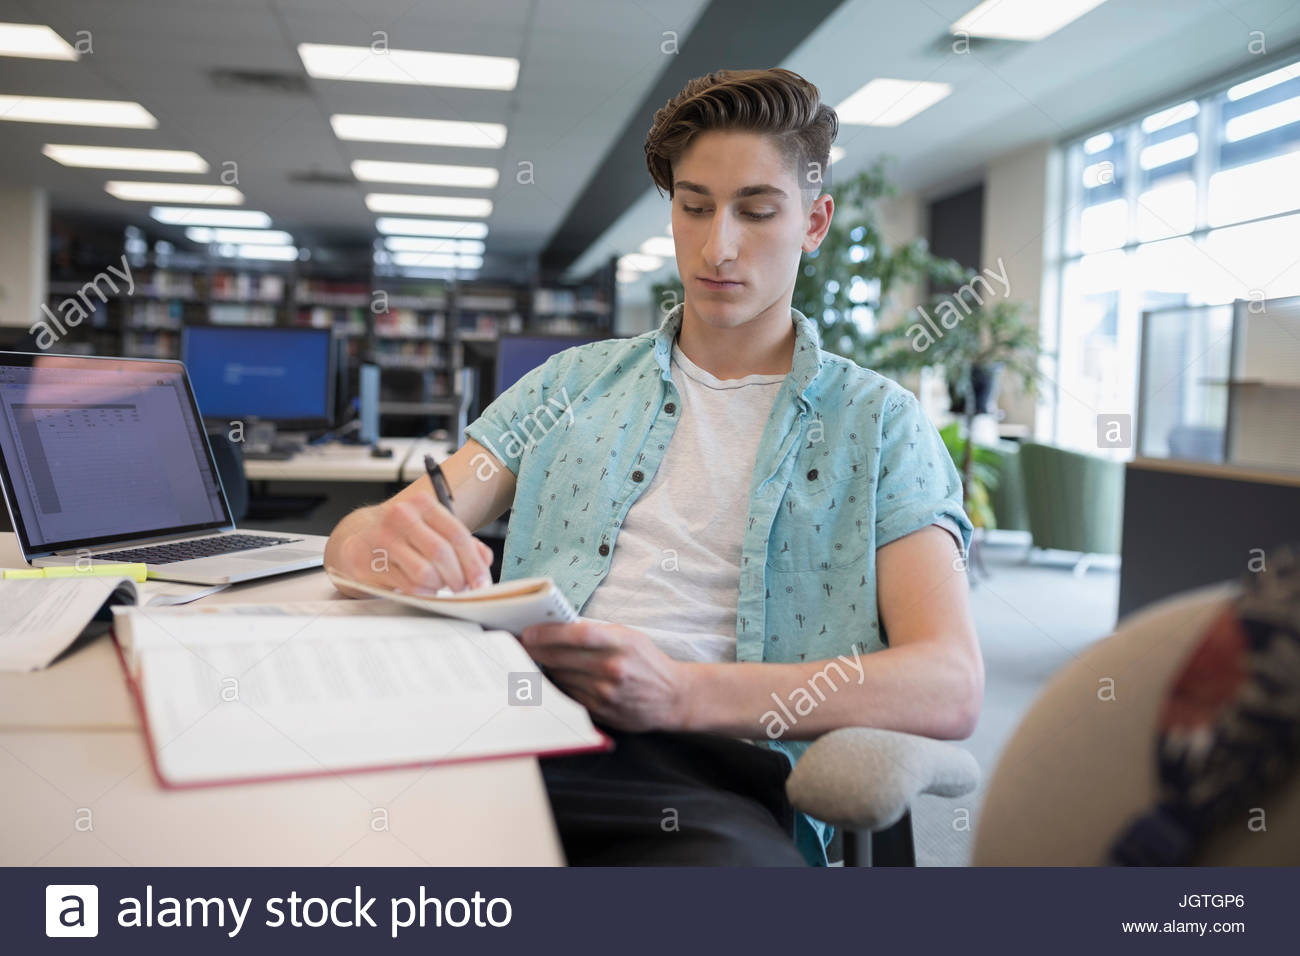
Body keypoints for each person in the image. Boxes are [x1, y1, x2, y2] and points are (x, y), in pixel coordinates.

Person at [324, 67, 983, 866]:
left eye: (756, 210)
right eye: (694, 206)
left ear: (814, 222)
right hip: (509, 723)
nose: (718, 246)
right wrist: (366, 536)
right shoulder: (571, 384)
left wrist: (680, 693)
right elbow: (407, 520)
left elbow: (949, 682)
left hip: (714, 772)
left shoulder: (878, 424)